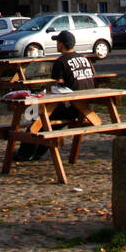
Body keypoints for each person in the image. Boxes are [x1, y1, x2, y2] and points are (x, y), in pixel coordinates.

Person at [14, 31, 93, 161]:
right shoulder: (84, 59)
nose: (57, 44)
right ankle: (38, 152)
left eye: (58, 42)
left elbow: (57, 86)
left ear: (61, 44)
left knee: (38, 118)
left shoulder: (61, 62)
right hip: (86, 107)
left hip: (71, 107)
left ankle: (24, 154)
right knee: (50, 124)